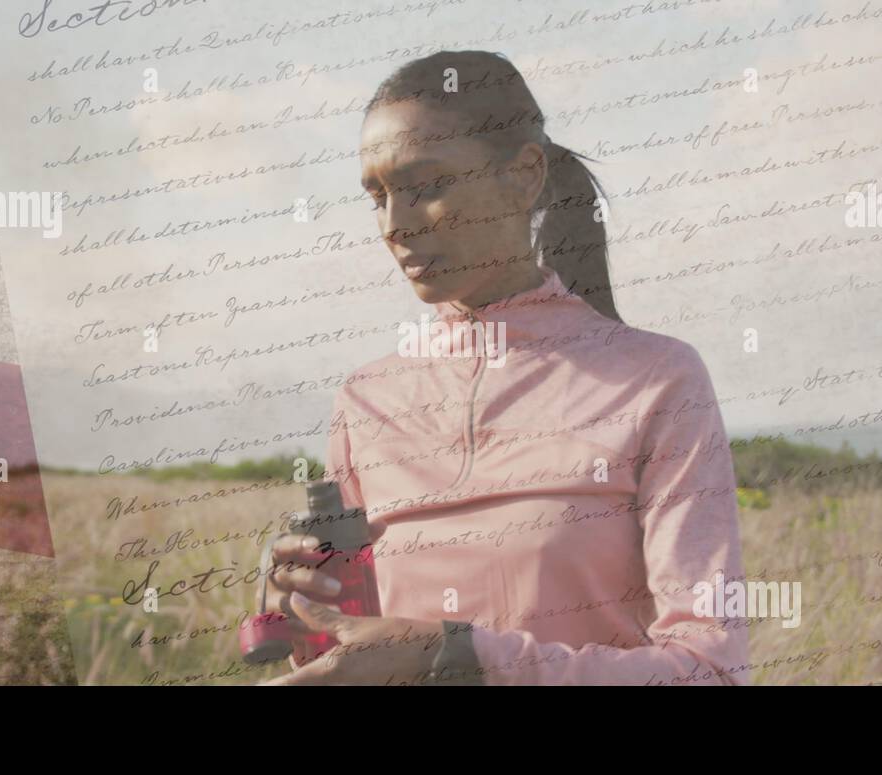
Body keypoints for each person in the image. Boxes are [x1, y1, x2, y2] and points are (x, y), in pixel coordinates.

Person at [260, 50, 748, 686]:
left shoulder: (656, 379)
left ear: (523, 176)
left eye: (427, 186)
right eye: (377, 196)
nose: (395, 224)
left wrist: (461, 653)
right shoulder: (366, 400)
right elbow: (357, 654)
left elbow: (709, 670)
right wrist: (304, 617)